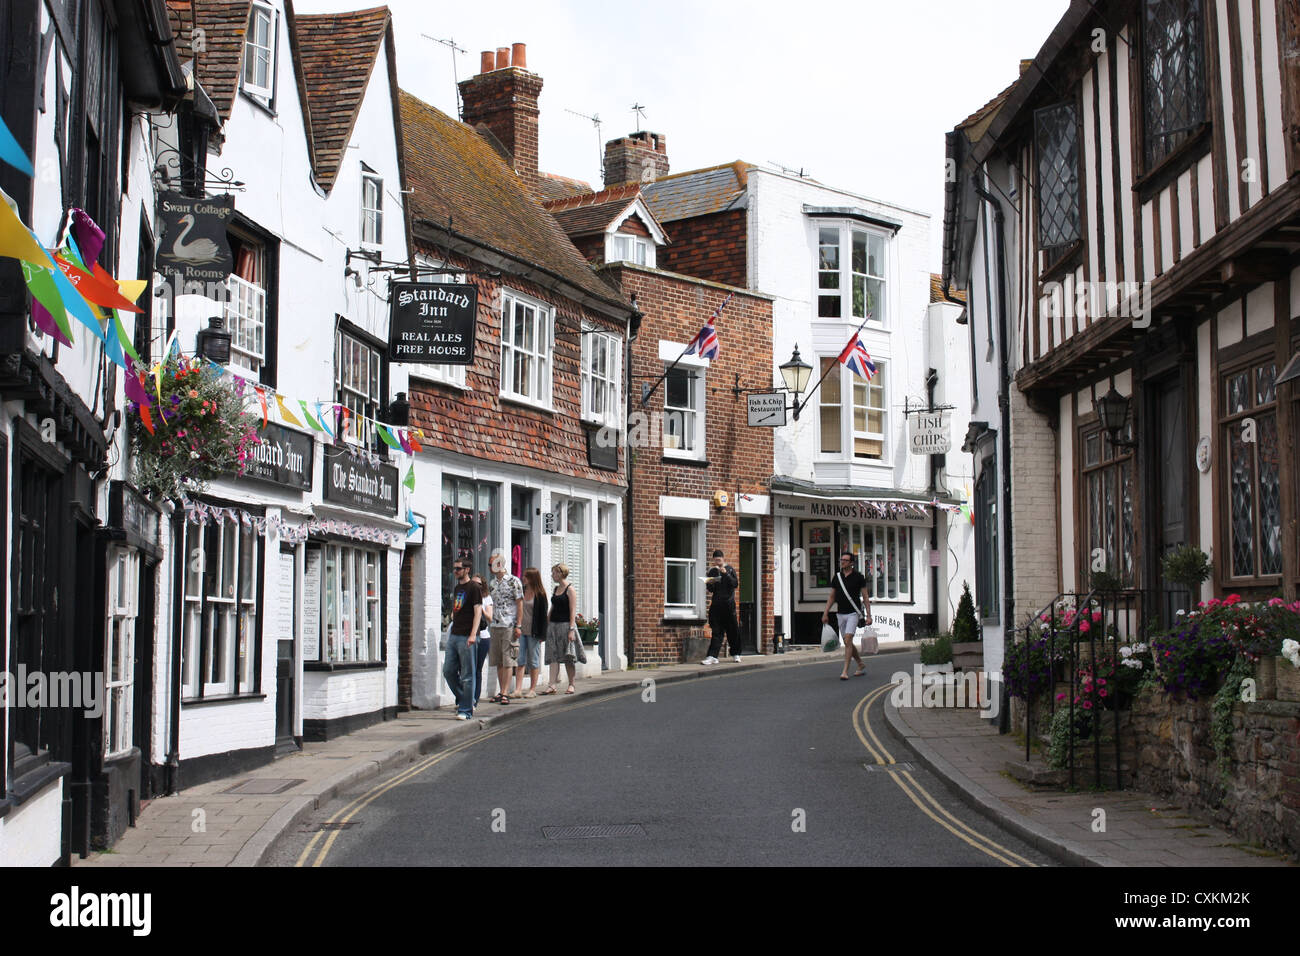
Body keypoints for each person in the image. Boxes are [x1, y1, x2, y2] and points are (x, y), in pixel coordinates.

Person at [443, 560, 484, 719]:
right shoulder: (458, 588)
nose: (455, 571)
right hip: (454, 634)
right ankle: (467, 699)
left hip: (467, 635)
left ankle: (466, 710)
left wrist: (473, 634)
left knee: (467, 674)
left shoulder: (474, 588)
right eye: (454, 568)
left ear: (467, 569)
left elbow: (478, 612)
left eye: (458, 569)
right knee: (448, 671)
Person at [822, 551, 872, 680]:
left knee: (848, 639)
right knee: (846, 641)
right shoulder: (837, 577)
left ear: (851, 563)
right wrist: (825, 612)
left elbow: (865, 597)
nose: (842, 562)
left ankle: (845, 671)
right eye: (841, 560)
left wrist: (869, 615)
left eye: (845, 560)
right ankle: (860, 663)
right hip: (840, 613)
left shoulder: (859, 577)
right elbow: (832, 596)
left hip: (853, 613)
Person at [487, 551, 524, 703]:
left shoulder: (514, 581)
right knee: (498, 660)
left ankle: (505, 692)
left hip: (509, 624)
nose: (489, 567)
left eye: (491, 564)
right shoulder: (492, 583)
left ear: (499, 564)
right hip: (495, 624)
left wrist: (519, 625)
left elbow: (519, 603)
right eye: (489, 565)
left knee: (508, 659)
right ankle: (501, 690)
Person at [542, 563, 584, 695]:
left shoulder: (570, 589)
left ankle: (571, 684)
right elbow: (553, 607)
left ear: (561, 573)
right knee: (553, 656)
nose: (552, 575)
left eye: (554, 572)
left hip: (565, 626)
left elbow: (572, 611)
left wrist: (571, 630)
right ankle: (552, 685)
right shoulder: (556, 589)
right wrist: (547, 623)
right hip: (553, 626)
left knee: (568, 657)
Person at [702, 549, 741, 665]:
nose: (717, 562)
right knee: (716, 631)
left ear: (723, 559)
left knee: (732, 631)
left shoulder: (730, 569)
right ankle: (712, 656)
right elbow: (711, 590)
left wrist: (726, 574)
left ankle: (736, 654)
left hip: (729, 605)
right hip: (717, 605)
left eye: (719, 560)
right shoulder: (712, 571)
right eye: (715, 560)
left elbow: (735, 584)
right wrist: (709, 583)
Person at [514, 567, 548, 698]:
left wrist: (542, 635)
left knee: (533, 661)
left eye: (526, 577)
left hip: (534, 632)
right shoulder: (521, 592)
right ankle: (518, 689)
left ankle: (532, 689)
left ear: (532, 578)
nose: (523, 578)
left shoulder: (540, 595)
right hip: (521, 630)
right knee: (520, 660)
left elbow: (543, 617)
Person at [472, 574, 494, 706]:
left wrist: (481, 607)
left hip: (483, 637)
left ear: (483, 586)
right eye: (473, 583)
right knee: (467, 669)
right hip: (469, 636)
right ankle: (465, 698)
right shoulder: (467, 596)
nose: (475, 586)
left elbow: (490, 618)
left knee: (477, 669)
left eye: (478, 584)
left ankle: (475, 698)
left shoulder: (487, 598)